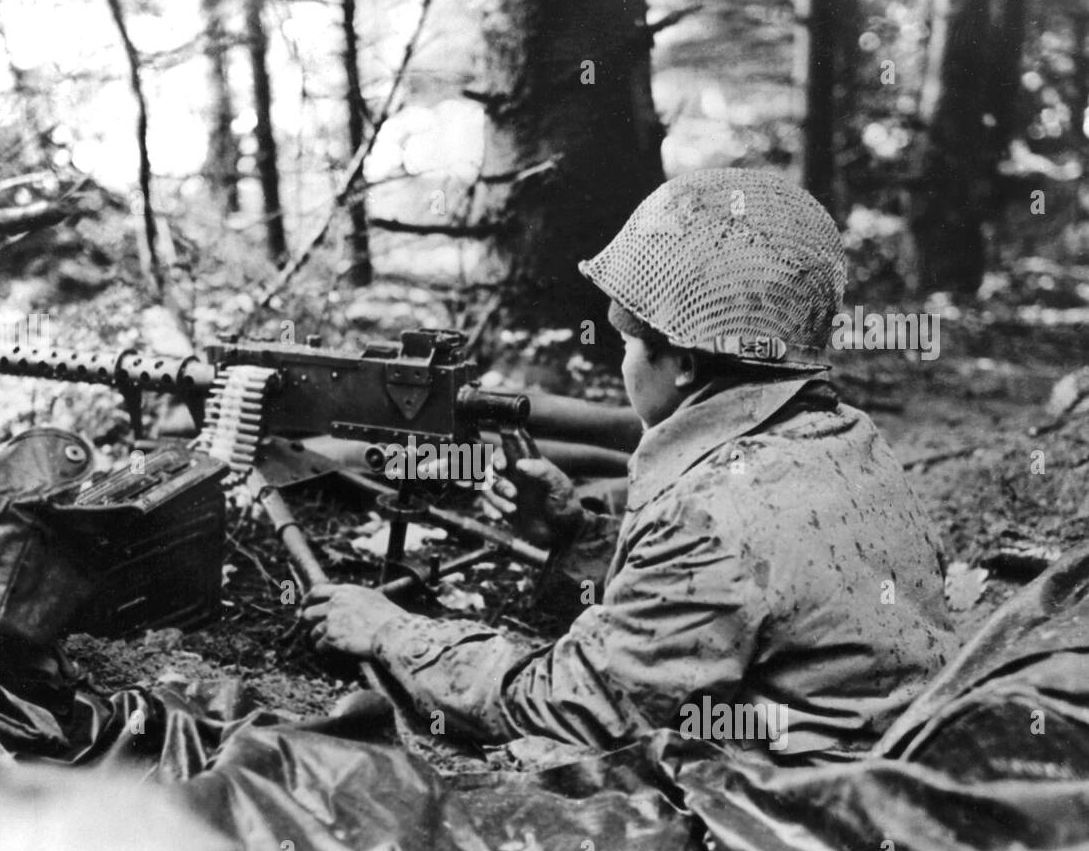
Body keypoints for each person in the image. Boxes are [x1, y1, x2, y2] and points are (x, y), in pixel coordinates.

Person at [300, 168, 956, 764]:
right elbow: (744, 592)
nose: (622, 366)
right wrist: (577, 535)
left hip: (804, 794)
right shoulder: (847, 438)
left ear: (685, 365)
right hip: (890, 747)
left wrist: (391, 631)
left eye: (628, 343)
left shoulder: (707, 515)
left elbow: (572, 708)